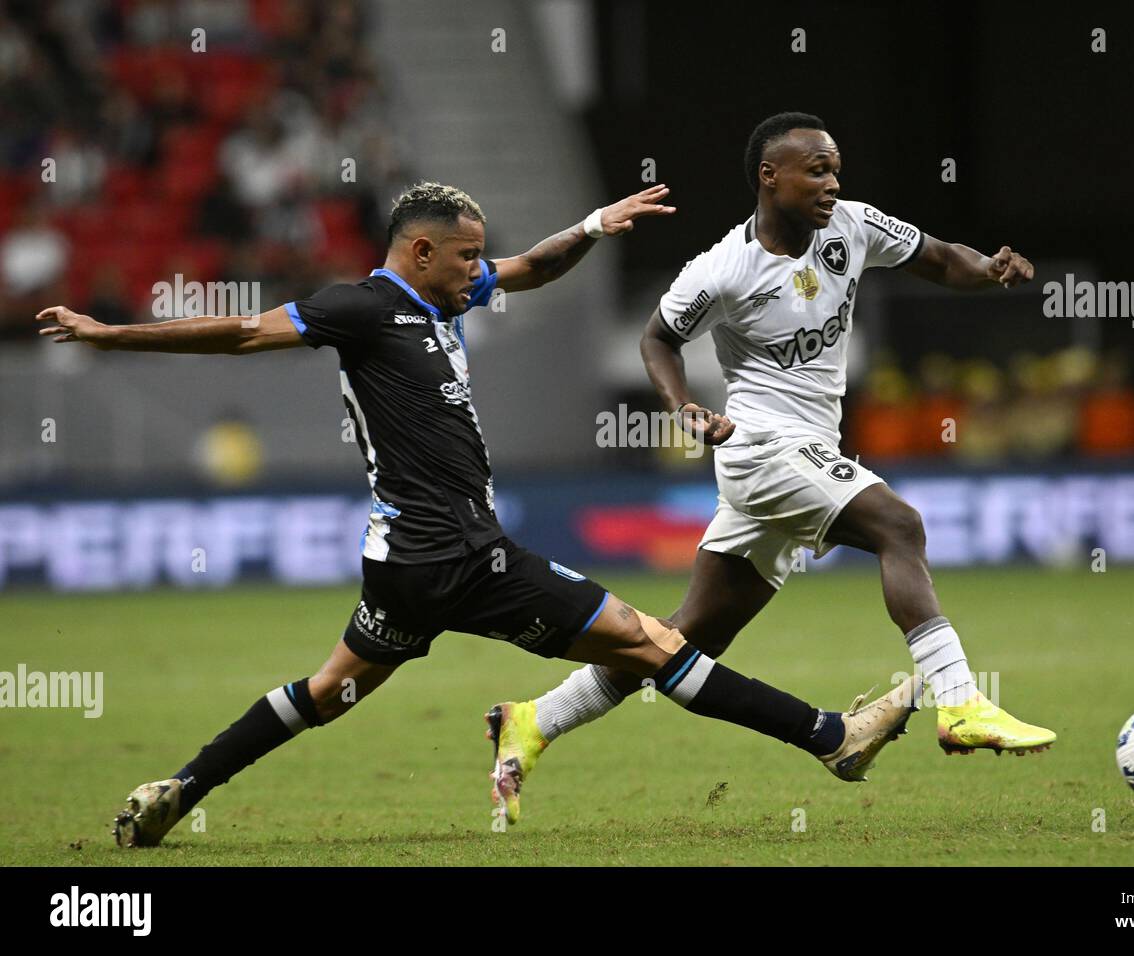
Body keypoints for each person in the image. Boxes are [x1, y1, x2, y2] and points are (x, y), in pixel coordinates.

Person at [37, 180, 922, 844]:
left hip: (402, 566)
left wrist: (590, 227)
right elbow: (237, 333)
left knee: (327, 691)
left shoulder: (436, 300)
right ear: (419, 252)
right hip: (461, 556)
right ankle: (831, 738)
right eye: (466, 258)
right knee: (654, 644)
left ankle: (178, 791)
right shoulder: (361, 307)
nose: (479, 273)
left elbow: (531, 269)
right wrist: (111, 335)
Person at [493, 113, 1056, 822]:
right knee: (899, 525)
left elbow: (942, 259)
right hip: (762, 448)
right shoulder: (724, 268)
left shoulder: (852, 225)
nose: (832, 182)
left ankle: (534, 720)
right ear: (770, 177)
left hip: (809, 450)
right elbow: (658, 338)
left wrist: (990, 269)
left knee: (687, 637)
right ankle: (960, 701)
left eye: (835, 168)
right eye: (816, 170)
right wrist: (683, 407)